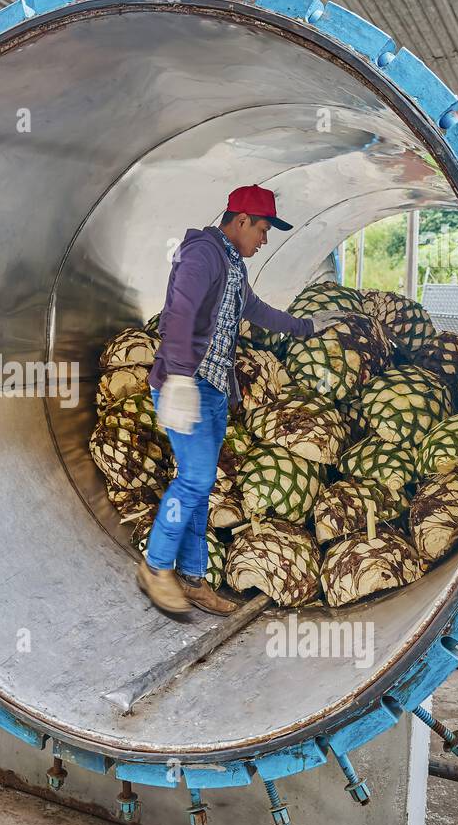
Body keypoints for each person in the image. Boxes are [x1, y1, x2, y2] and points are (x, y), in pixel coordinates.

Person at [138, 185, 345, 616]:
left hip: (211, 388)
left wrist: (307, 326)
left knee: (202, 483)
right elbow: (178, 312)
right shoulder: (201, 254)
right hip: (186, 384)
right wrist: (176, 377)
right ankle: (156, 567)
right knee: (193, 478)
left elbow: (257, 310)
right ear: (241, 221)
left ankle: (192, 579)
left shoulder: (233, 265)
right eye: (263, 230)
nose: (265, 240)